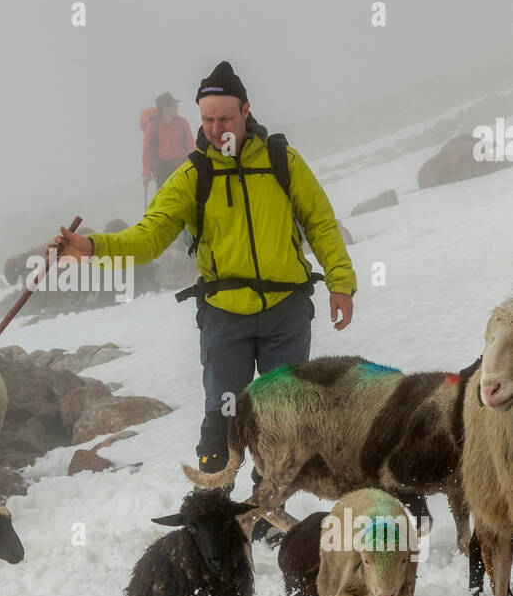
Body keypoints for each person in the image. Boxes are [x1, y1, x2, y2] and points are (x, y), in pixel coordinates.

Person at [54, 60, 356, 539]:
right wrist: (91, 247)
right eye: (208, 120)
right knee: (225, 411)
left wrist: (341, 282)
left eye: (225, 118)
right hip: (224, 317)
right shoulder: (194, 174)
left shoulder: (281, 159)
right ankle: (211, 509)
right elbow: (149, 236)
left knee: (283, 417)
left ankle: (264, 512)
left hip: (286, 310)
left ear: (246, 111)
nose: (216, 129)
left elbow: (320, 222)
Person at [141, 93, 195, 192]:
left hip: (182, 167)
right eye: (174, 105)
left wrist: (194, 164)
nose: (176, 107)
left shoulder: (182, 122)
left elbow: (191, 145)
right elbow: (147, 151)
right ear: (165, 108)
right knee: (165, 200)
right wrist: (146, 173)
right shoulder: (153, 126)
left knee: (184, 198)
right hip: (163, 169)